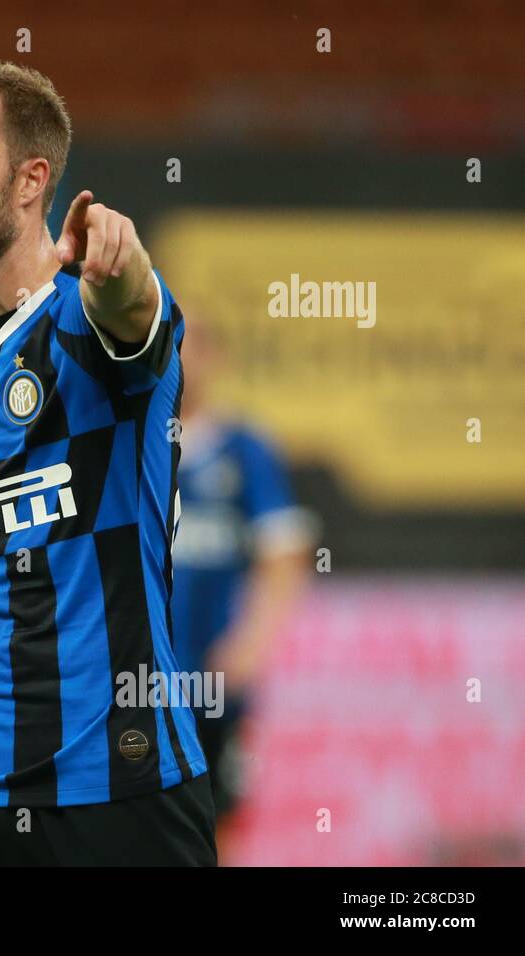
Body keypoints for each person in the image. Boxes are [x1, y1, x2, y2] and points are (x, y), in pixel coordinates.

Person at [0, 59, 214, 866]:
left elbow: (132, 312)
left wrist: (120, 266)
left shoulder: (88, 330)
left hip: (125, 789)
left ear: (32, 182)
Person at [170, 317, 314, 855]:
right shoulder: (126, 445)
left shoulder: (244, 450)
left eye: (191, 347)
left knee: (218, 819)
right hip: (133, 684)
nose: (180, 361)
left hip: (213, 682)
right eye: (167, 347)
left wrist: (254, 641)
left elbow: (285, 553)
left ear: (214, 358)